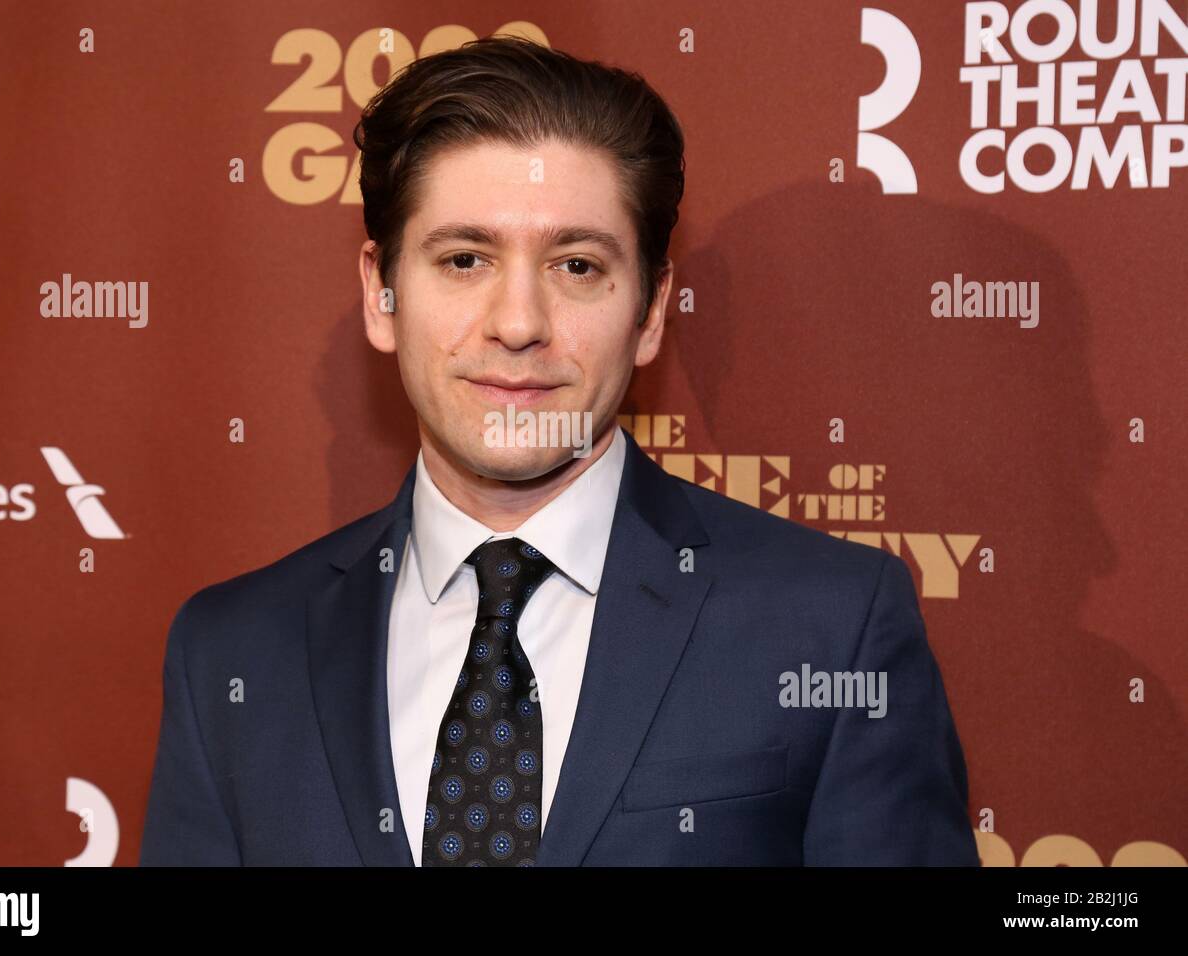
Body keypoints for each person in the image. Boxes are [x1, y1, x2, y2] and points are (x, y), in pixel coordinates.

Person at [139, 35, 977, 866]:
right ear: (381, 293)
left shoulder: (828, 626)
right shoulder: (233, 653)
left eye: (577, 266)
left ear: (650, 312)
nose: (518, 323)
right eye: (464, 259)